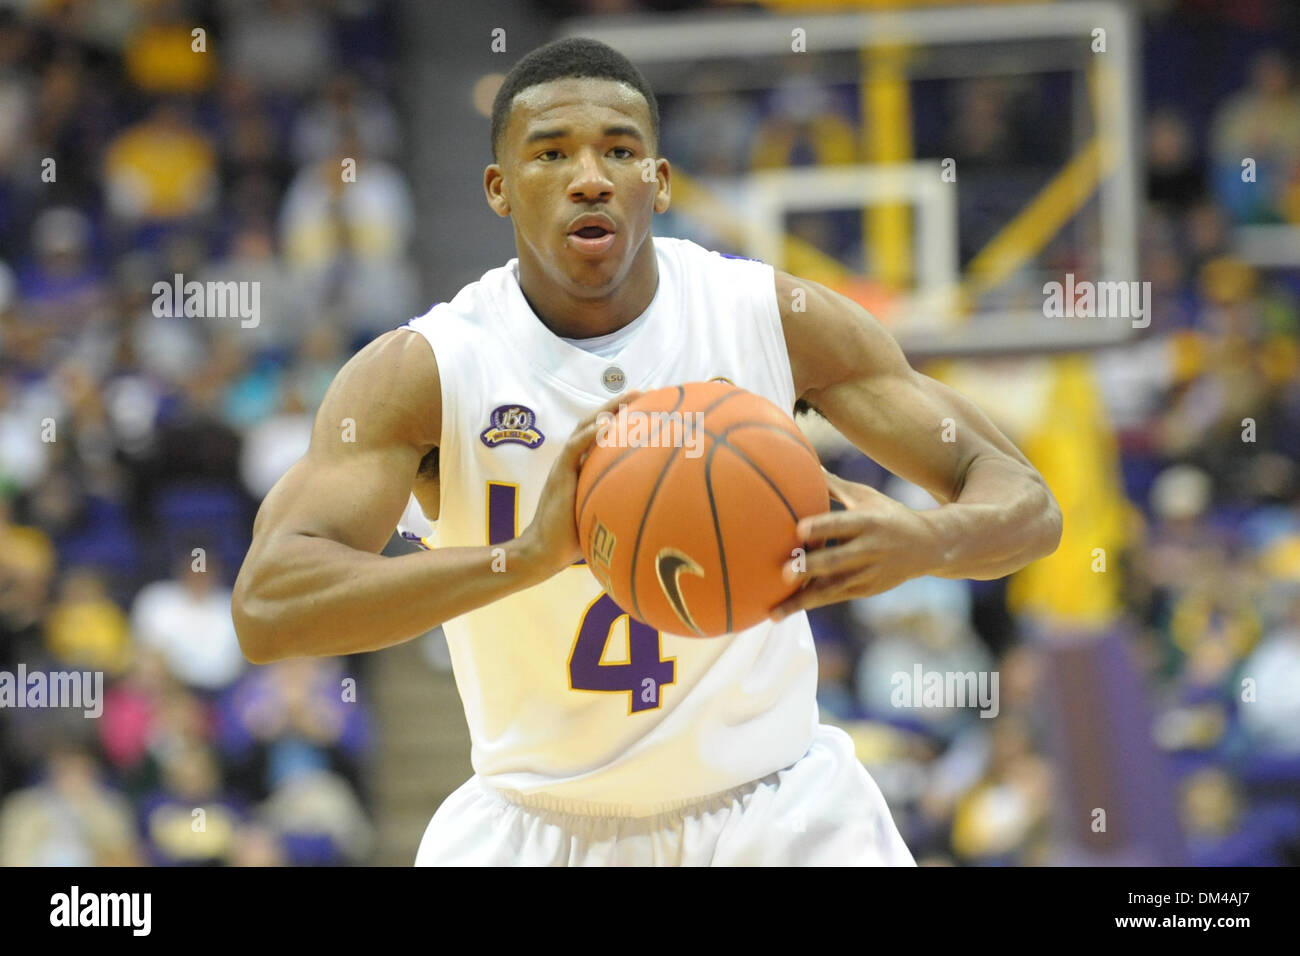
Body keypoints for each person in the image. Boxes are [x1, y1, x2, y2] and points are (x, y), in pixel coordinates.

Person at [232, 38, 1062, 866]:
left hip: (780, 812)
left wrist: (929, 543)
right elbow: (268, 606)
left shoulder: (769, 317)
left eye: (620, 151)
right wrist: (520, 560)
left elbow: (1025, 502)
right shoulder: (425, 371)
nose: (589, 175)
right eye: (550, 153)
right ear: (499, 189)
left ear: (659, 182)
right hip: (536, 821)